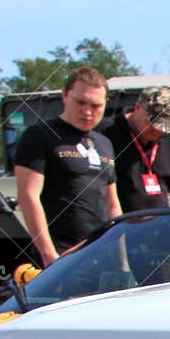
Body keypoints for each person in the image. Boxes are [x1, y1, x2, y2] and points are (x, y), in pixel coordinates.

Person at [13, 66, 120, 265]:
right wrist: (48, 254)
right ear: (64, 96)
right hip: (61, 254)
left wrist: (122, 260)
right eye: (80, 102)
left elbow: (113, 205)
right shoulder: (40, 135)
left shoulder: (104, 144)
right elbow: (28, 196)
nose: (87, 112)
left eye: (95, 106)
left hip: (102, 252)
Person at [101, 85, 170, 211]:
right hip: (119, 225)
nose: (157, 131)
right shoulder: (106, 133)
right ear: (138, 107)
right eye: (153, 124)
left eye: (163, 127)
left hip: (159, 226)